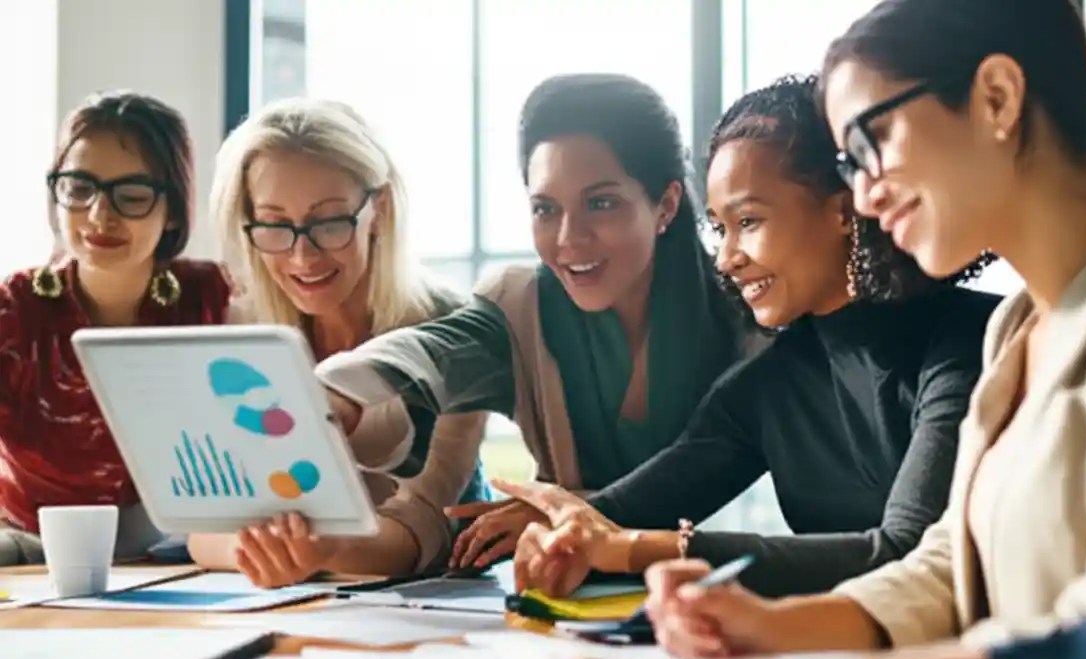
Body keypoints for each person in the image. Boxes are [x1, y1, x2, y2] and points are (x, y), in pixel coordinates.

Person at [497, 1, 1086, 659]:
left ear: (999, 100)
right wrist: (765, 633)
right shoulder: (1016, 330)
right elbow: (945, 572)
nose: (863, 197)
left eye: (870, 143)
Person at [497, 75, 998, 600]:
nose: (726, 257)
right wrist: (562, 536)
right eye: (720, 227)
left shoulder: (969, 344)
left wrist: (634, 548)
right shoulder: (769, 385)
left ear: (845, 210)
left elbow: (906, 555)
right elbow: (620, 516)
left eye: (749, 220)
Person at [318, 74, 745, 571]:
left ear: (666, 204)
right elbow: (433, 350)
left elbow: (696, 474)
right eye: (545, 208)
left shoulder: (742, 316)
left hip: (717, 588)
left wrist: (559, 511)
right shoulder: (521, 308)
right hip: (555, 588)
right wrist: (336, 393)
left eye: (600, 203)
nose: (569, 237)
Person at [186, 98, 489, 587]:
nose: (302, 256)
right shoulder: (241, 329)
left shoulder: (454, 326)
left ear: (380, 209)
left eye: (329, 223)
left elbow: (424, 528)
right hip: (292, 604)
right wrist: (265, 551)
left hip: (433, 612)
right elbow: (203, 526)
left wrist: (317, 550)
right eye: (276, 225)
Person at [0, 91, 231, 566]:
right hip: (37, 556)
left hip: (193, 557)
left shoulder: (215, 299)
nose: (101, 216)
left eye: (131, 196)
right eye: (79, 187)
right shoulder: (15, 311)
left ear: (172, 210)